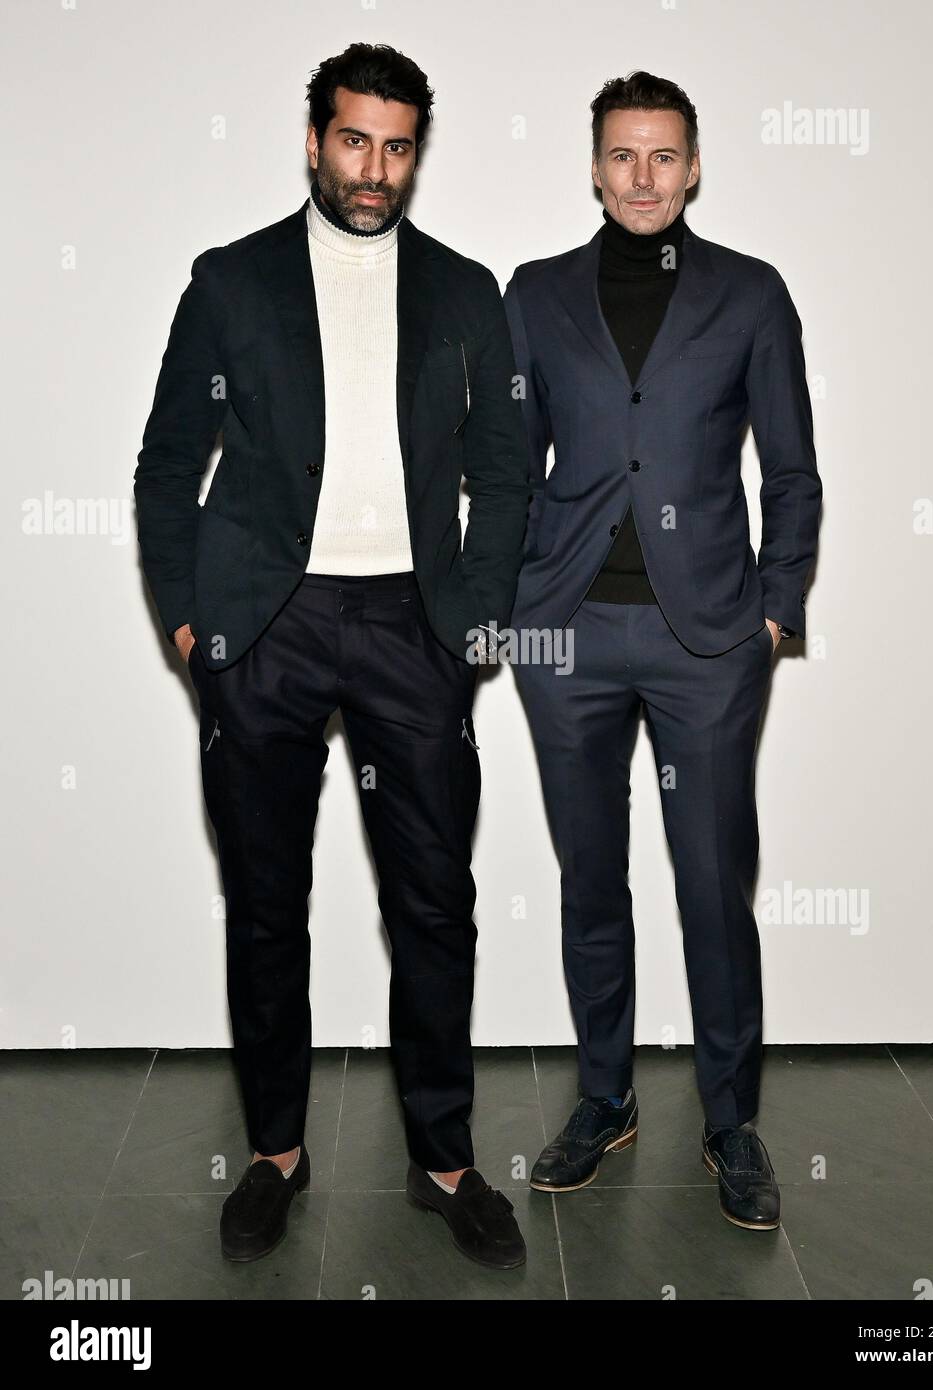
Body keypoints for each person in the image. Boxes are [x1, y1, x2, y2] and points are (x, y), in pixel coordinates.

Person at [134, 42, 529, 1268]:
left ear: (418, 152)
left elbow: (507, 471)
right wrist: (190, 623)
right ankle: (274, 1153)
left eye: (397, 145)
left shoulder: (466, 292)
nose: (374, 168)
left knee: (435, 902)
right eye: (353, 140)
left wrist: (471, 619)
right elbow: (164, 464)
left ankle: (445, 1158)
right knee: (265, 902)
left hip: (413, 623)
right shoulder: (231, 282)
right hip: (269, 624)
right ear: (313, 140)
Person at [503, 70, 822, 1230]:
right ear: (593, 167)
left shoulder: (748, 294)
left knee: (707, 882)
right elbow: (504, 468)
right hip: (568, 633)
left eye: (663, 156)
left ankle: (729, 1122)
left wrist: (774, 611)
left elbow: (788, 466)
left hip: (706, 642)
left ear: (693, 168)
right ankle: (603, 1097)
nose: (642, 176)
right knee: (590, 880)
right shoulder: (533, 295)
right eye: (621, 156)